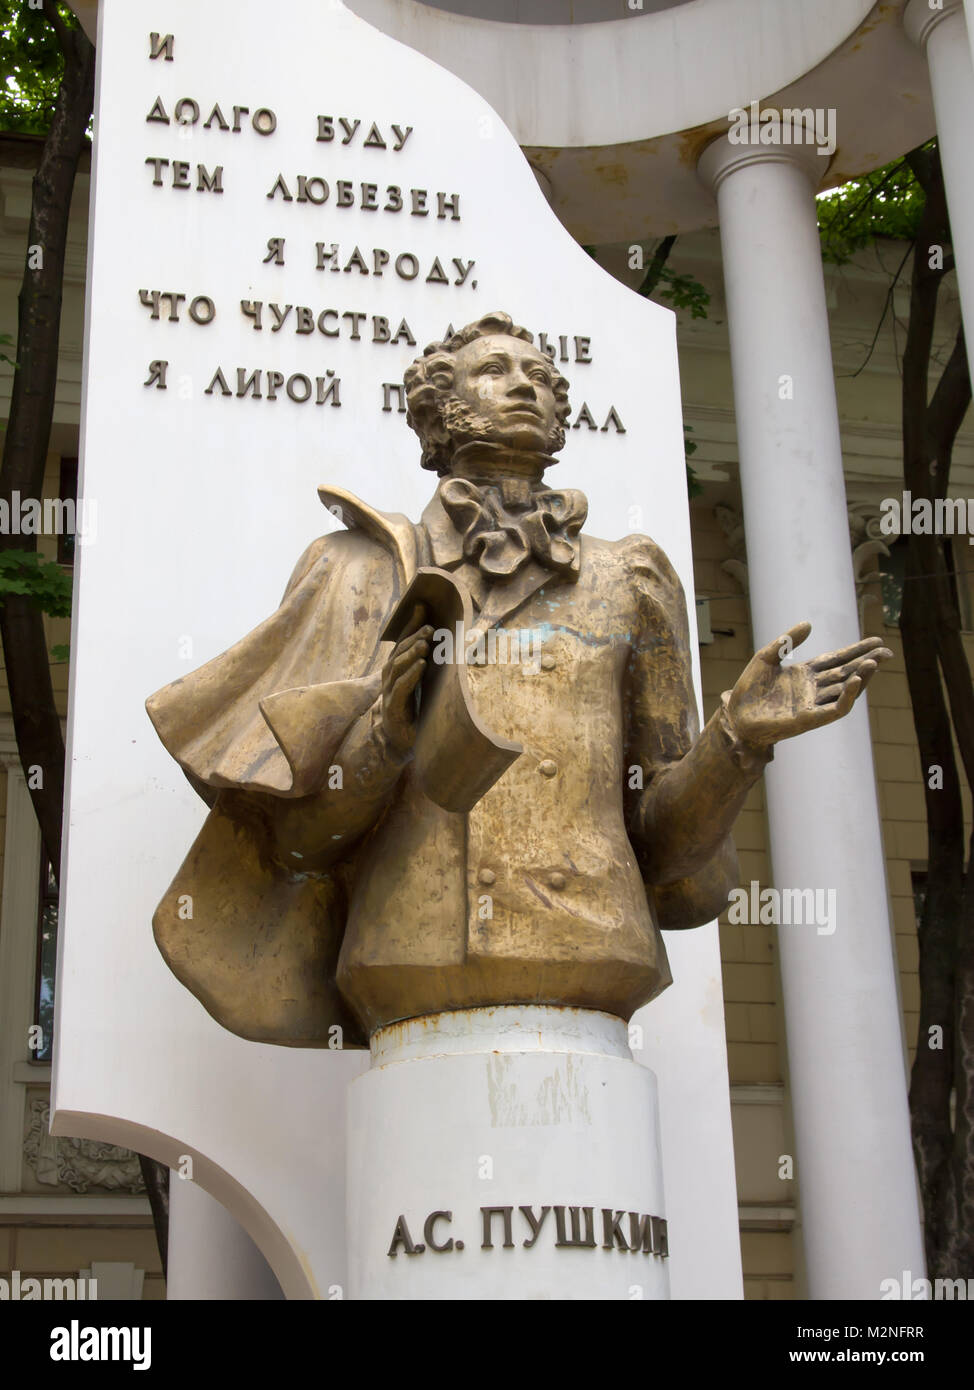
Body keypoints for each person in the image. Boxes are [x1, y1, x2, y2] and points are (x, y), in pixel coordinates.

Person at [147, 312, 891, 1045]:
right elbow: (300, 843)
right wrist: (384, 738)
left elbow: (662, 851)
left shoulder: (630, 577)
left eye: (540, 376)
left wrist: (737, 741)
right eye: (496, 372)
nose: (525, 387)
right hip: (404, 956)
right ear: (439, 409)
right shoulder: (357, 571)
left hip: (596, 944)